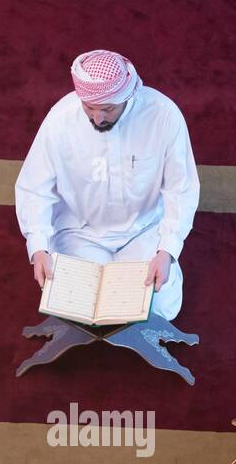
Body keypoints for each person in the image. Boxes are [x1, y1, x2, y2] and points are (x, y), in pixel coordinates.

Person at [14, 49, 200, 322]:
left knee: (158, 307)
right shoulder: (60, 119)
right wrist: (38, 246)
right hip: (80, 232)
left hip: (144, 230)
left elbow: (180, 190)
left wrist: (167, 251)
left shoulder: (163, 116)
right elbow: (35, 187)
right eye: (89, 108)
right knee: (75, 307)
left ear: (128, 96)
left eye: (108, 109)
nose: (97, 118)